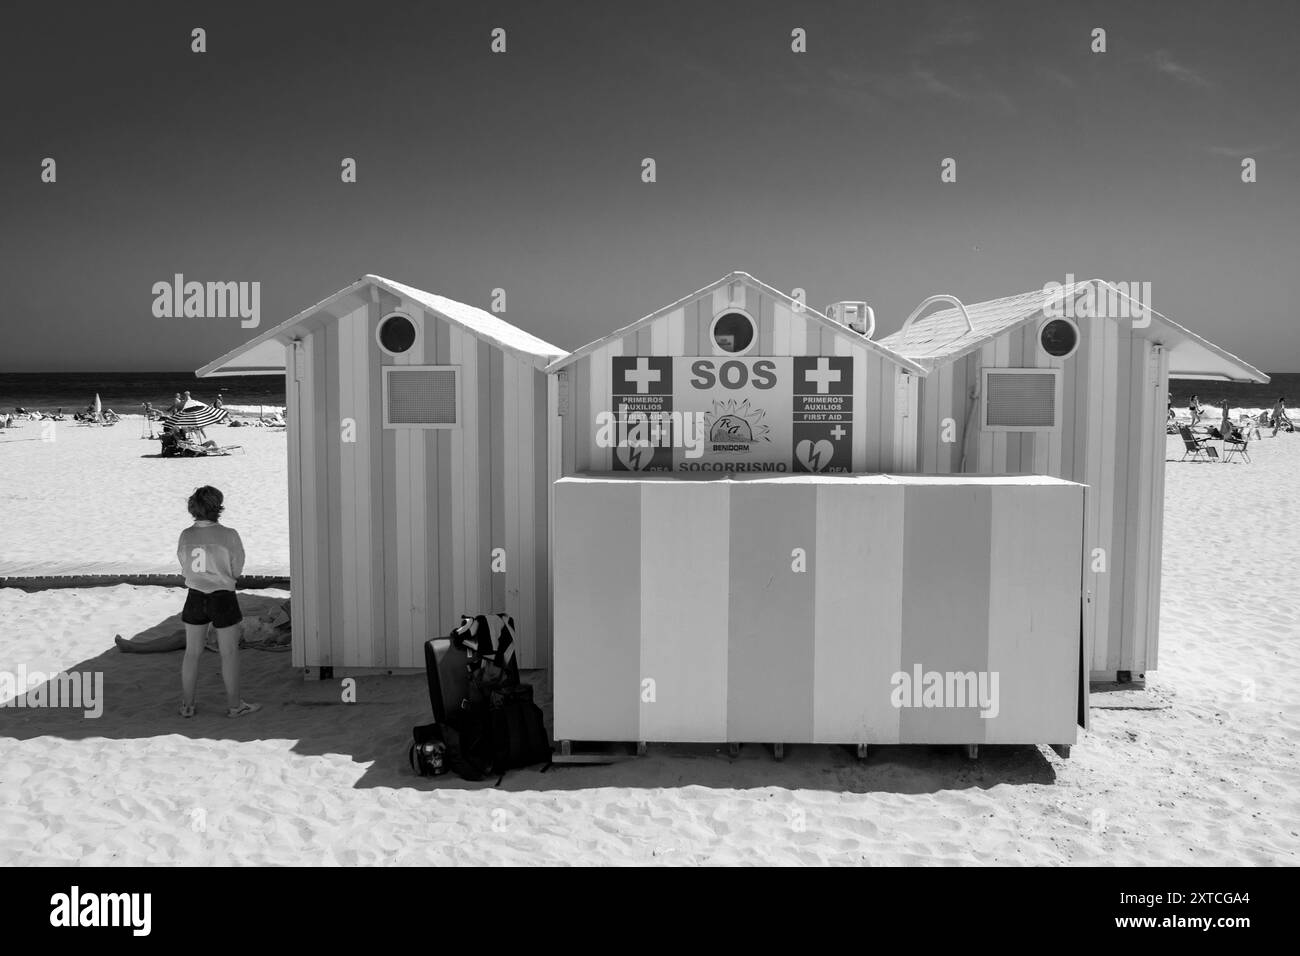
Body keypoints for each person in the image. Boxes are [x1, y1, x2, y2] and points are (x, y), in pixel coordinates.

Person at [176, 486, 260, 718]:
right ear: (217, 508)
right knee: (229, 653)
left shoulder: (187, 535)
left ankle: (187, 705)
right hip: (222, 596)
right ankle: (235, 705)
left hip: (194, 595)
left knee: (192, 652)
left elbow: (183, 565)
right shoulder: (228, 534)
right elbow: (237, 565)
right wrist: (228, 578)